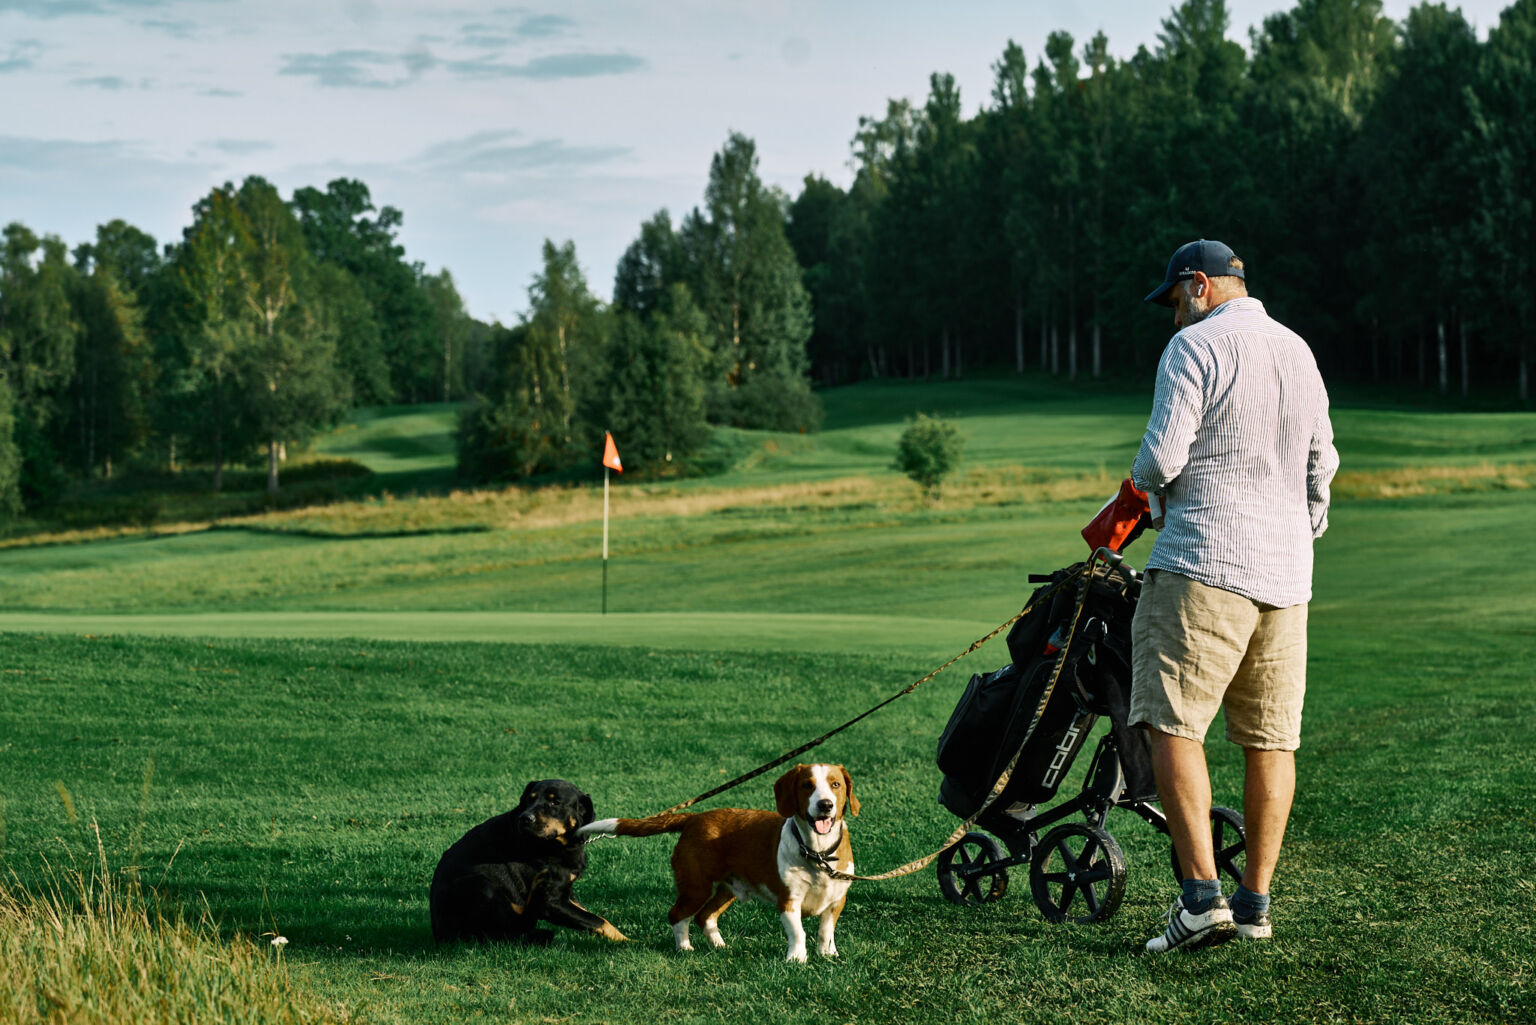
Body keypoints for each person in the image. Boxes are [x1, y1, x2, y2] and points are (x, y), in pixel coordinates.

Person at [1129, 239, 1339, 953]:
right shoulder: (1299, 350)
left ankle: (1199, 902)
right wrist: (1298, 530)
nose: (1172, 318)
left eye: (1173, 303)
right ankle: (1253, 906)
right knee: (1270, 739)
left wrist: (1147, 493)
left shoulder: (1195, 348)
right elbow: (1324, 464)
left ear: (1198, 286)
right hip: (1287, 579)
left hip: (1203, 563)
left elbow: (1161, 456)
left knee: (1172, 720)